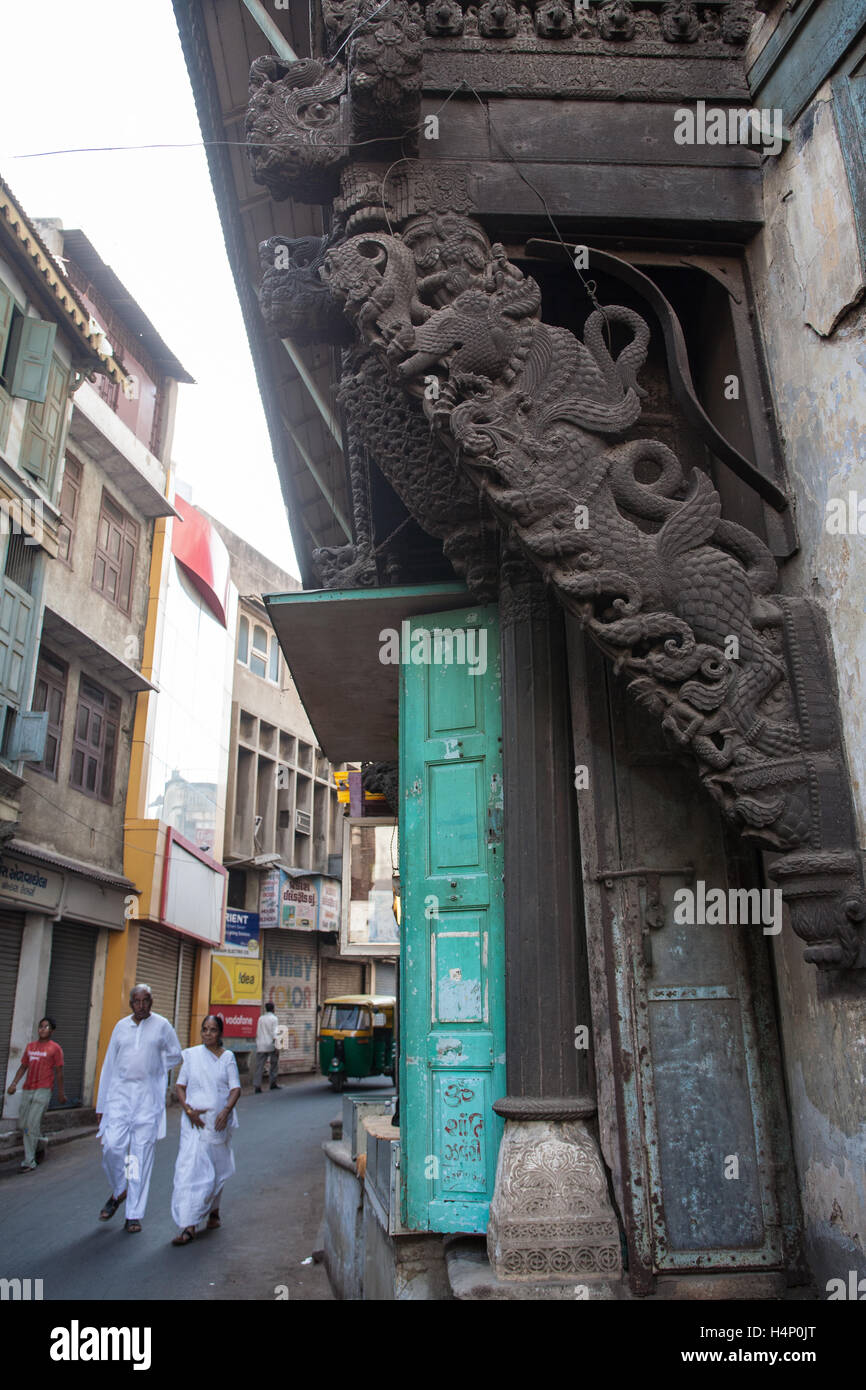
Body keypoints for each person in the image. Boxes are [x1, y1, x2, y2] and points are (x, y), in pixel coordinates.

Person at [95, 984, 182, 1233]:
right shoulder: (121, 1027)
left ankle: (133, 1213)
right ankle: (120, 1189)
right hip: (119, 1098)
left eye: (146, 1001)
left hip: (147, 1099)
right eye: (137, 1001)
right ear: (131, 1003)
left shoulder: (162, 1025)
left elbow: (175, 1054)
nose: (141, 1005)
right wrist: (102, 1104)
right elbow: (109, 1066)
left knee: (138, 1156)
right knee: (112, 1147)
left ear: (152, 1001)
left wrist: (157, 1067)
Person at [170, 1014, 241, 1245]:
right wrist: (189, 1111)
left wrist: (225, 1111)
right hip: (192, 1123)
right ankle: (188, 1224)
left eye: (212, 1030)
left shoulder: (227, 1058)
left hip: (216, 1123)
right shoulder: (191, 1056)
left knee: (216, 1170)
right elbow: (180, 1086)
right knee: (189, 1171)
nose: (207, 1034)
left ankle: (213, 1212)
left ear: (220, 1033)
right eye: (204, 1029)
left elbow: (235, 1089)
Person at [6, 1017, 66, 1171]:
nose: (43, 1029)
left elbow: (59, 1072)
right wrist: (13, 1084)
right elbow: (23, 1066)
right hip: (28, 1089)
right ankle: (40, 1142)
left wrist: (60, 1093)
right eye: (41, 1026)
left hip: (43, 1090)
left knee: (31, 1126)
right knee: (23, 1124)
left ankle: (29, 1161)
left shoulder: (55, 1048)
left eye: (46, 1027)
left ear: (52, 1031)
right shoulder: (30, 1047)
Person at [253, 1001, 281, 1092]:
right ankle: (272, 1083)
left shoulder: (261, 1018)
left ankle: (257, 1086)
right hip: (270, 1045)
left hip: (261, 1044)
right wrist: (277, 1046)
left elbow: (258, 1031)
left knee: (259, 1066)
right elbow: (275, 1033)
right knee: (274, 1064)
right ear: (273, 1009)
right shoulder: (274, 1019)